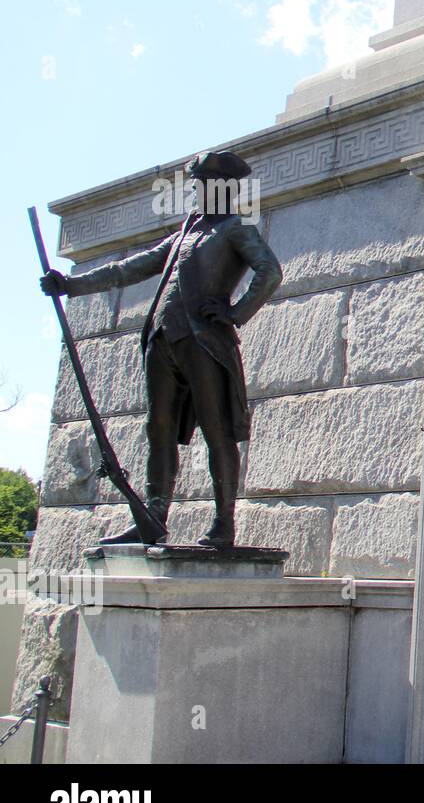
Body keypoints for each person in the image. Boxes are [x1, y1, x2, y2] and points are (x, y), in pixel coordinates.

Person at [40, 151, 281, 547]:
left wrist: (235, 313)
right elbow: (128, 269)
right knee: (159, 427)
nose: (197, 191)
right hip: (162, 340)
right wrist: (69, 285)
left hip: (204, 341)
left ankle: (223, 525)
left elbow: (270, 271)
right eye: (196, 184)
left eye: (203, 184)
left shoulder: (236, 229)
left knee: (217, 430)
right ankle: (152, 519)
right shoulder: (183, 235)